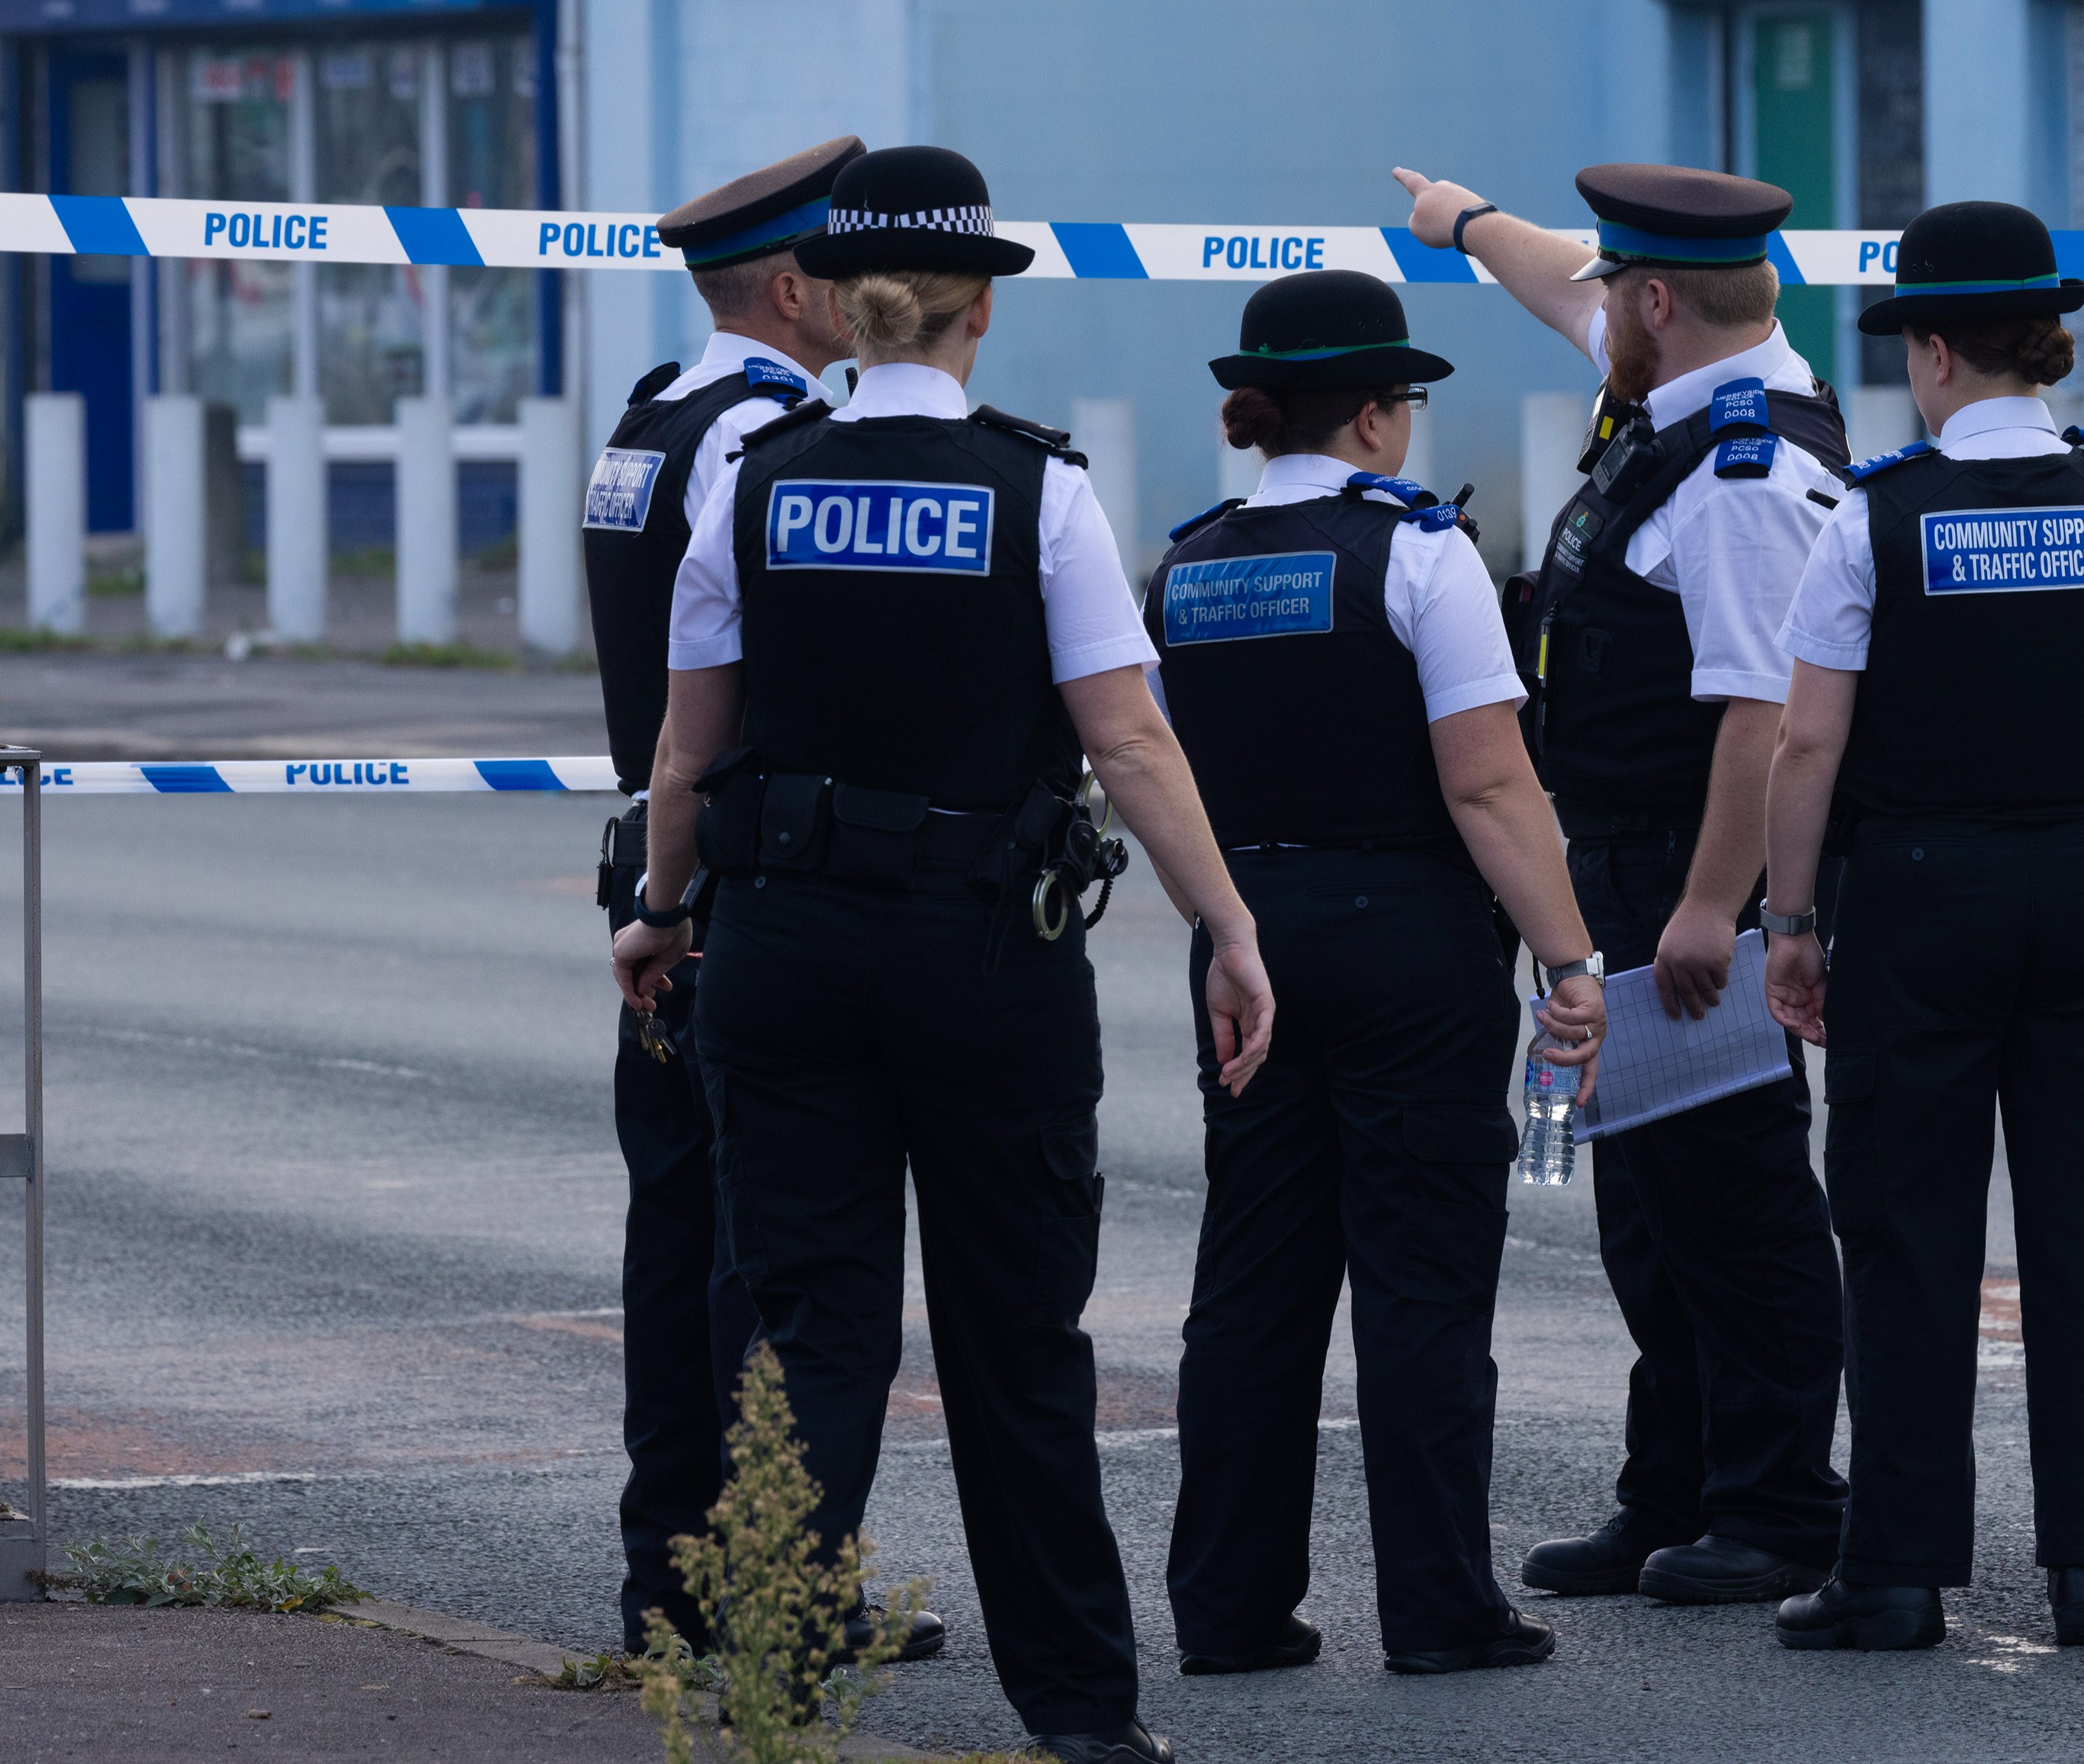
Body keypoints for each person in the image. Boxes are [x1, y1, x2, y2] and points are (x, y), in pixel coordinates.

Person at [610, 144, 1271, 1764]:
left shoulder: (753, 480)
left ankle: (768, 1704)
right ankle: (1082, 1717)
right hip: (984, 959)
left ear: (835, 304)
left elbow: (689, 756)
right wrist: (1229, 925)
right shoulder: (1035, 485)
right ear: (975, 313)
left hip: (782, 952)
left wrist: (662, 912)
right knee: (1014, 1345)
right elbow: (1126, 740)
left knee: (804, 1335)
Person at [1754, 201, 2084, 1652]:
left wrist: (1791, 921)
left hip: (1920, 897)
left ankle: (1895, 1572)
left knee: (1906, 1235)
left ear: (1938, 348)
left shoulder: (1874, 514)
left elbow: (1803, 745)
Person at [1392, 160, 1850, 1606]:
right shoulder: (1679, 385)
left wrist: (1716, 909)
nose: (1590, 309)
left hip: (1678, 870)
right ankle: (1675, 1488)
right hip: (1625, 863)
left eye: (1612, 292)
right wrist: (1463, 223)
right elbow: (1550, 277)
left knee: (1733, 1194)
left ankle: (1779, 1501)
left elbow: (1759, 715)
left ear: (1656, 301)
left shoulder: (1743, 475)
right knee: (1651, 1208)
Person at [1147, 268, 1609, 1678]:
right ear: (1369, 415)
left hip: (1244, 931)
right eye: (1402, 403)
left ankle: (1227, 1606)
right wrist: (1569, 958)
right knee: (1418, 1279)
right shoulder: (1416, 550)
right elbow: (1488, 784)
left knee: (1254, 1279)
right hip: (1405, 933)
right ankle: (1438, 1605)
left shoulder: (1190, 559)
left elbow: (1155, 767)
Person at [580, 133, 870, 1659]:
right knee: (771, 1244)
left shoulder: (648, 420)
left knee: (675, 1228)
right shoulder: (768, 435)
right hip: (732, 872)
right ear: (787, 283)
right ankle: (771, 1581)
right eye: (841, 272)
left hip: (646, 851)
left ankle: (670, 1580)